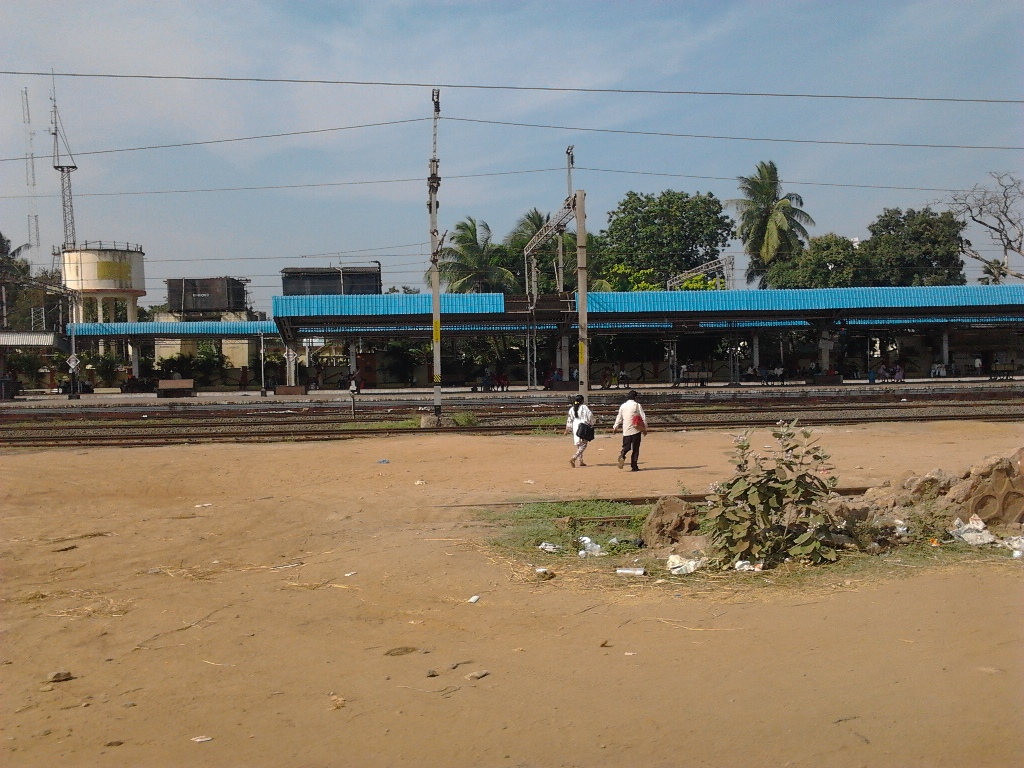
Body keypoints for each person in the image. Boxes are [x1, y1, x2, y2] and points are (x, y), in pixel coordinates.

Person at [612, 389, 647, 472]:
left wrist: (615, 427)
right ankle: (634, 466)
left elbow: (619, 417)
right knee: (635, 449)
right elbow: (643, 417)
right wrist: (645, 428)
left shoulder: (623, 406)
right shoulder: (637, 405)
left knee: (626, 447)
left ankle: (623, 455)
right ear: (635, 397)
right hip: (636, 430)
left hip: (626, 430)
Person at [565, 394, 595, 468]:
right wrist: (592, 422)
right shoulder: (584, 407)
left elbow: (569, 419)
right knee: (584, 444)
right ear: (582, 401)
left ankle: (580, 461)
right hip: (583, 426)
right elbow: (590, 415)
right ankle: (574, 457)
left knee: (579, 444)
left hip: (575, 426)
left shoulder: (572, 409)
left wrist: (568, 429)